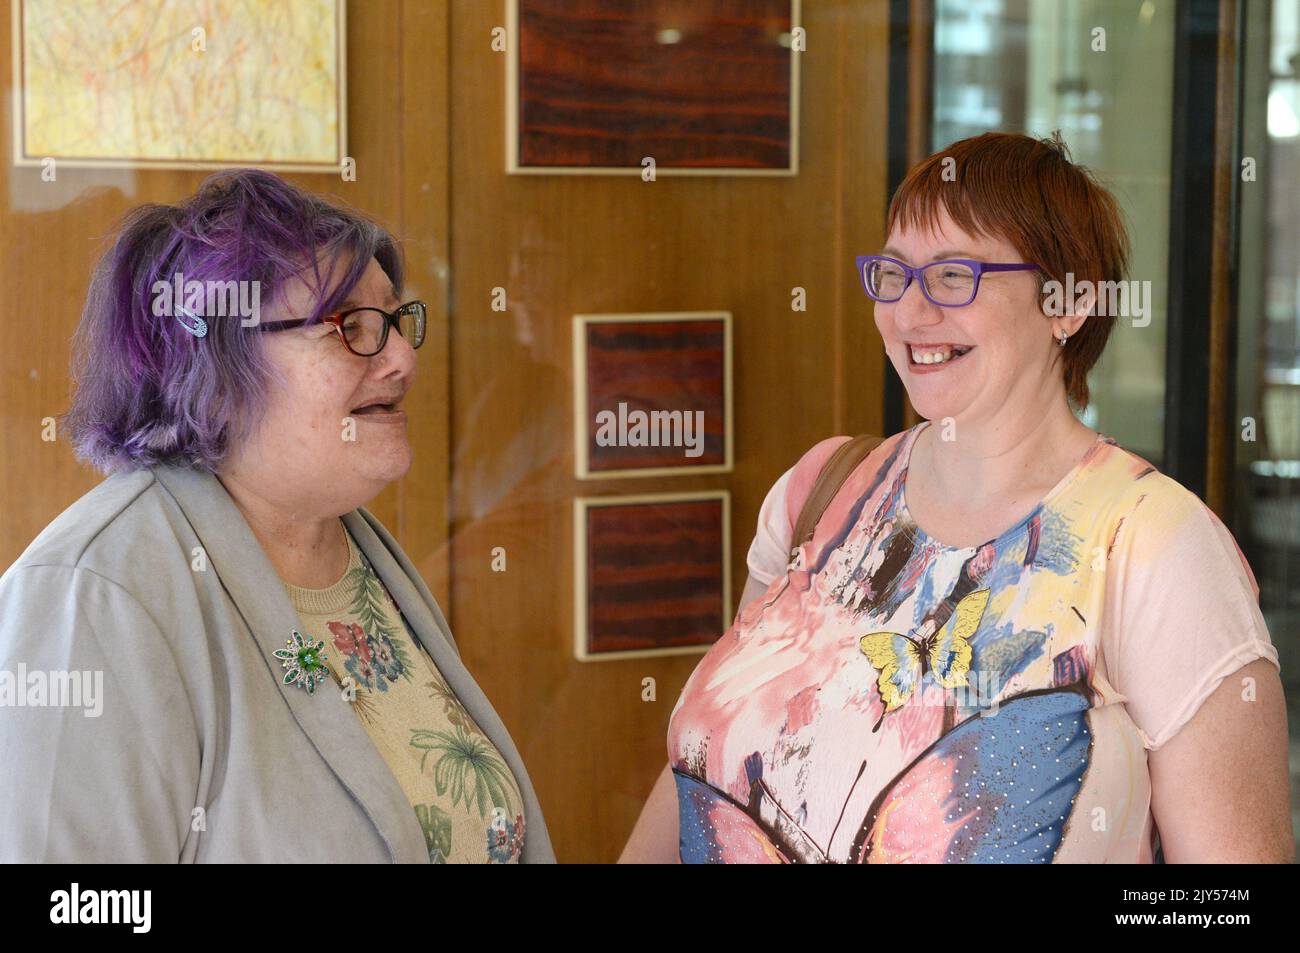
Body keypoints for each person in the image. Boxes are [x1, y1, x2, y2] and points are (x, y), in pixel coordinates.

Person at [620, 132, 1291, 863]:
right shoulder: (822, 490)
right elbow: (701, 763)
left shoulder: (1155, 545)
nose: (909, 314)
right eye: (893, 273)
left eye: (953, 276)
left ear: (1068, 303)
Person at [0, 170, 554, 863]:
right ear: (212, 365)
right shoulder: (93, 595)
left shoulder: (350, 545)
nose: (404, 358)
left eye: (394, 318)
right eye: (349, 325)